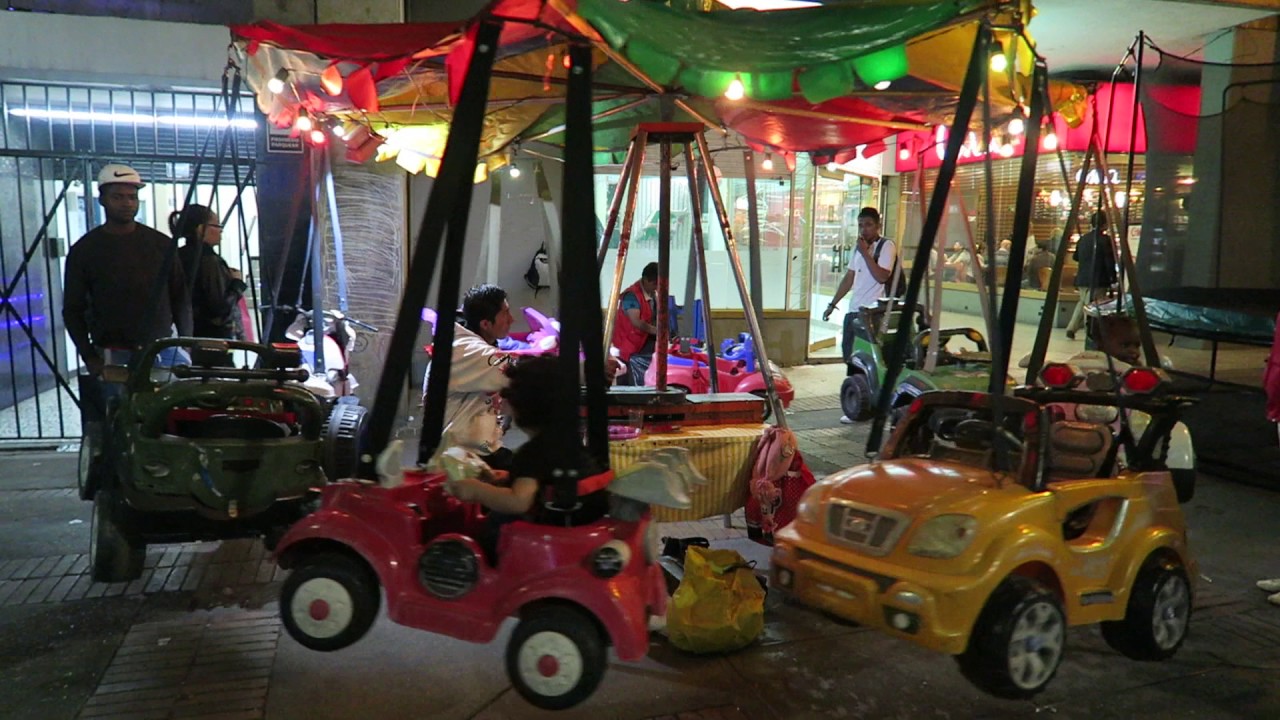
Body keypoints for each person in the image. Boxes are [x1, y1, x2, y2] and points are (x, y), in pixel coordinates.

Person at [445, 356, 609, 526]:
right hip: (586, 522)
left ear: (521, 406)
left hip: (551, 532)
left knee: (496, 520)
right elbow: (544, 479)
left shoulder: (533, 453)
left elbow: (519, 502)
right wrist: (509, 478)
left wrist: (476, 491)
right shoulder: (568, 441)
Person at [63, 163, 191, 381]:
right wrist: (89, 357)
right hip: (112, 352)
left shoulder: (161, 245)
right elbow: (73, 310)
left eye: (132, 197)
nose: (127, 203)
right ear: (102, 199)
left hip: (163, 348)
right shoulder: (85, 250)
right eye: (118, 197)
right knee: (120, 413)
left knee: (167, 413)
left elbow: (180, 298)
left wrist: (187, 344)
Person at [423, 284, 519, 470]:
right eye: (505, 314)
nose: (512, 319)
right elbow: (511, 369)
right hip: (460, 458)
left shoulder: (471, 342)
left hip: (479, 449)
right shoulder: (465, 350)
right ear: (485, 324)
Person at [172, 204, 247, 342]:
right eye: (217, 225)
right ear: (201, 229)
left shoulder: (178, 255)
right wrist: (237, 283)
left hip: (185, 332)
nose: (221, 231)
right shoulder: (208, 260)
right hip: (212, 337)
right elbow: (219, 307)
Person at [1066, 210, 1117, 340]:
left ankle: (1072, 328)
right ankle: (1089, 331)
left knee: (1083, 302)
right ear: (1105, 224)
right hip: (1098, 279)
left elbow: (1076, 257)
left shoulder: (1083, 239)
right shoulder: (1105, 240)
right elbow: (1109, 261)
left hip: (1082, 277)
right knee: (1093, 306)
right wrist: (1113, 279)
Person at [613, 261, 659, 386]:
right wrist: (657, 331)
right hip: (626, 346)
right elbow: (636, 322)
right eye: (654, 284)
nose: (656, 288)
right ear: (646, 280)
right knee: (625, 379)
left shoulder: (651, 294)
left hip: (639, 345)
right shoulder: (631, 296)